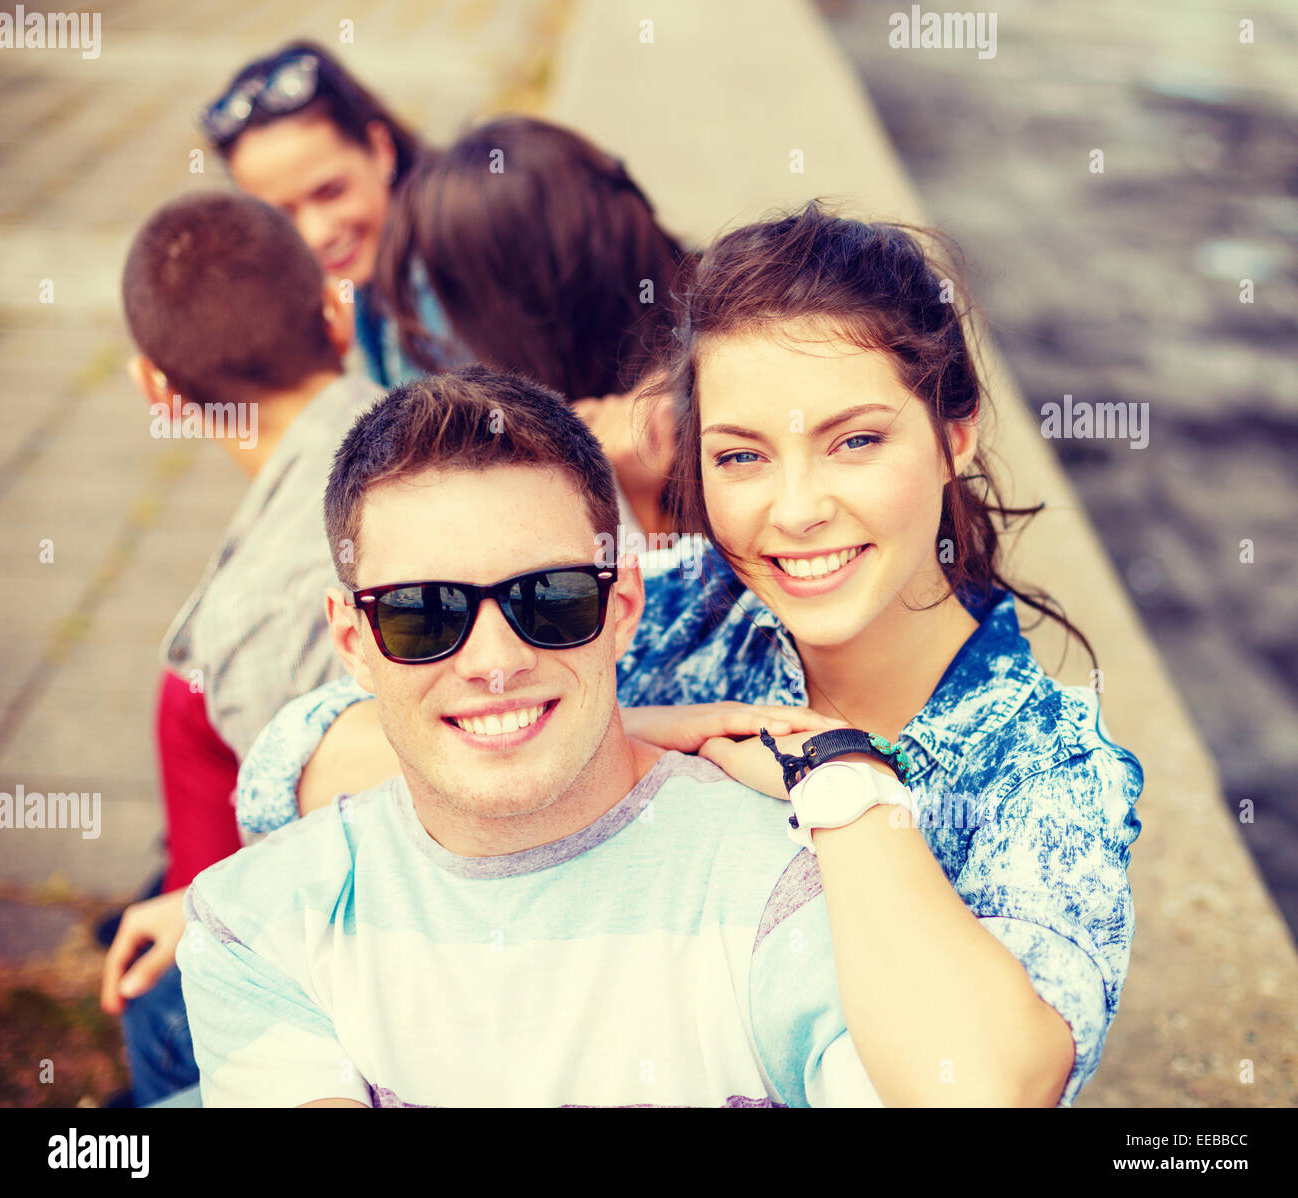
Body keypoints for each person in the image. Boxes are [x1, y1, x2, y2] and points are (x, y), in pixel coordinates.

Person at [236, 202, 1143, 1105]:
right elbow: (292, 760)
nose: (795, 510)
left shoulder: (1042, 766)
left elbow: (986, 1092)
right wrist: (635, 733)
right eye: (743, 458)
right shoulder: (677, 607)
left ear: (955, 433)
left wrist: (840, 785)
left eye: (855, 442)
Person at [177, 367, 888, 1107]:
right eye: (424, 614)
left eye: (550, 598)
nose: (494, 664)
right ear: (351, 640)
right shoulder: (252, 922)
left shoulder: (790, 896)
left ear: (623, 607)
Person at [103, 191, 384, 1105]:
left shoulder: (264, 611)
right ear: (335, 315)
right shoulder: (413, 423)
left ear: (158, 391)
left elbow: (350, 858)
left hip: (277, 968)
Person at [375, 114, 694, 535]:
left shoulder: (695, 425)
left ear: (533, 301)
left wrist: (639, 513)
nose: (431, 332)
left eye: (448, 293)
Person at [199, 39, 454, 387]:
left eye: (332, 191)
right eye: (281, 217)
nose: (316, 234)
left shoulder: (449, 274)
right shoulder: (373, 265)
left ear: (380, 150)